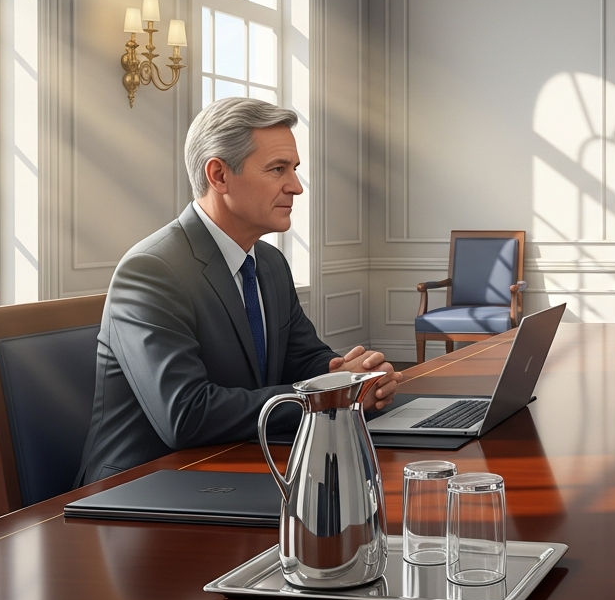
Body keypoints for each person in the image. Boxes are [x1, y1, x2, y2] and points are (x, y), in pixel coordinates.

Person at [76, 98, 403, 485]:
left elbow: (305, 359)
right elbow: (187, 415)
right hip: (143, 489)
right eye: (277, 169)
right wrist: (326, 399)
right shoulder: (151, 270)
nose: (296, 186)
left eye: (294, 169)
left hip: (236, 467)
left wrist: (354, 379)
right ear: (218, 175)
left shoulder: (269, 263)